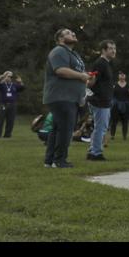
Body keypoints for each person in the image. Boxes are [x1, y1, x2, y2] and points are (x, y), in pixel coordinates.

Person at [44, 28, 91, 168]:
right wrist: (81, 76)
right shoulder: (59, 51)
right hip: (61, 96)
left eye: (73, 32)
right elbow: (60, 70)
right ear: (60, 39)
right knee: (65, 129)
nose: (73, 34)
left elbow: (78, 73)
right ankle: (59, 160)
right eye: (69, 33)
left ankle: (50, 160)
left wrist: (86, 77)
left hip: (71, 97)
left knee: (58, 128)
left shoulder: (74, 54)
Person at [83, 40, 117, 161]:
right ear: (103, 50)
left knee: (100, 127)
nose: (114, 51)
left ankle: (93, 150)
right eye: (111, 48)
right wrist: (88, 85)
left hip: (104, 101)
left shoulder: (107, 63)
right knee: (100, 128)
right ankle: (96, 153)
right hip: (99, 101)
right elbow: (91, 82)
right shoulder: (100, 63)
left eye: (114, 48)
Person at [0, 72, 25, 139]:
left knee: (11, 121)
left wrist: (20, 82)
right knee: (0, 120)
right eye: (8, 76)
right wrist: (4, 78)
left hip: (12, 105)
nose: (9, 78)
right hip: (3, 104)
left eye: (10, 77)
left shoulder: (14, 85)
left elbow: (22, 88)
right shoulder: (2, 84)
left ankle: (7, 135)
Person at [111, 71, 129, 141]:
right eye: (120, 74)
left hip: (125, 105)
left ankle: (124, 136)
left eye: (123, 75)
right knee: (114, 121)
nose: (122, 76)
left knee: (125, 122)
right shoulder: (114, 85)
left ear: (125, 76)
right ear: (118, 76)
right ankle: (112, 135)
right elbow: (111, 95)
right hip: (116, 105)